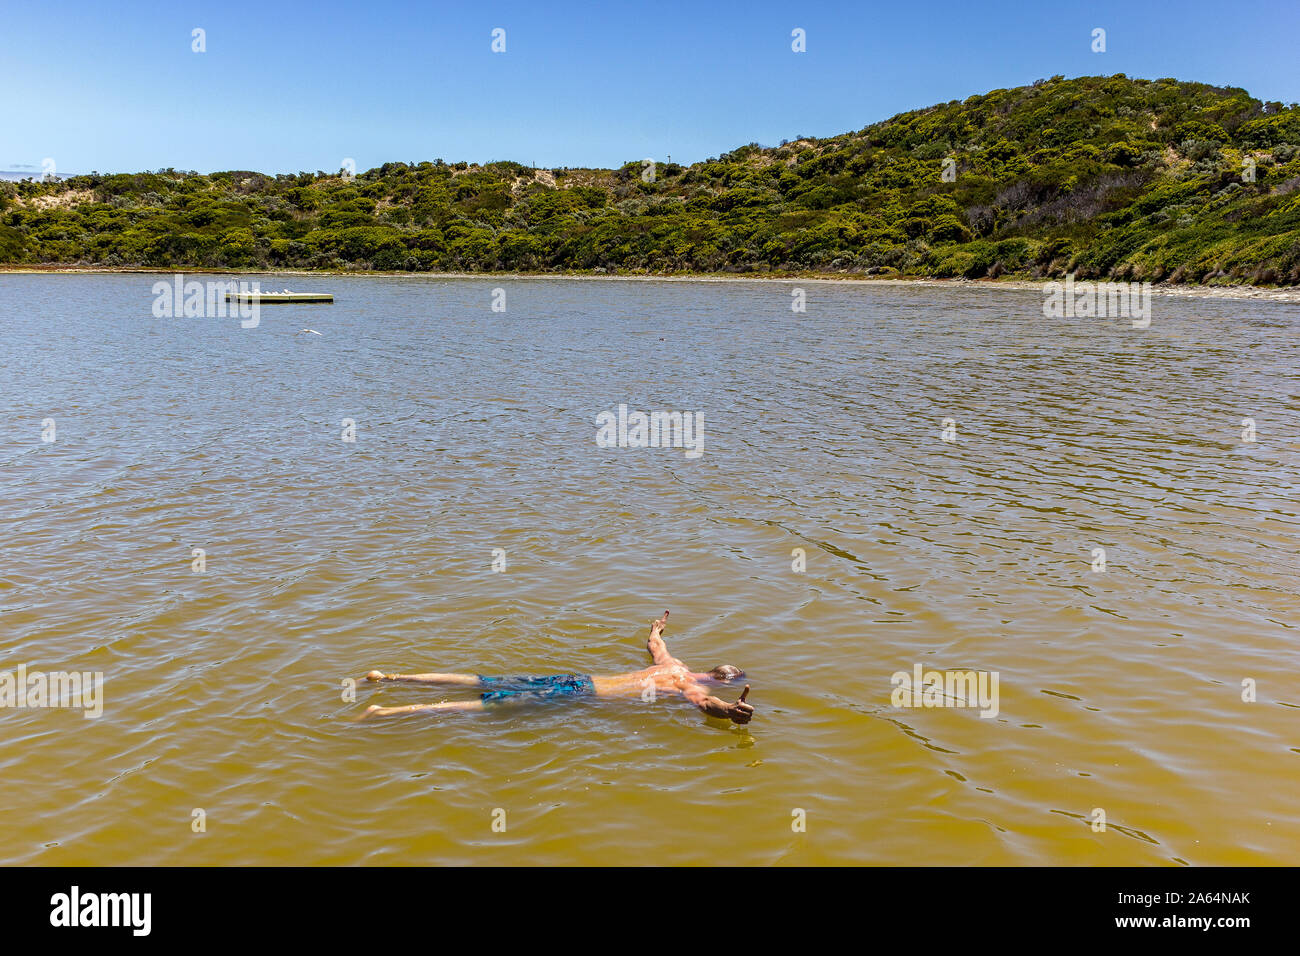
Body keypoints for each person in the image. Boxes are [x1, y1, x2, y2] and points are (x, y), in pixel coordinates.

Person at [360, 611, 753, 724]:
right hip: (578, 693)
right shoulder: (688, 686)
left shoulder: (672, 663)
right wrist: (729, 711)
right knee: (489, 703)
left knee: (486, 681)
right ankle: (387, 711)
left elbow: (655, 645)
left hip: (576, 677)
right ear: (720, 682)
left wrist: (656, 628)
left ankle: (391, 676)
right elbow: (705, 706)